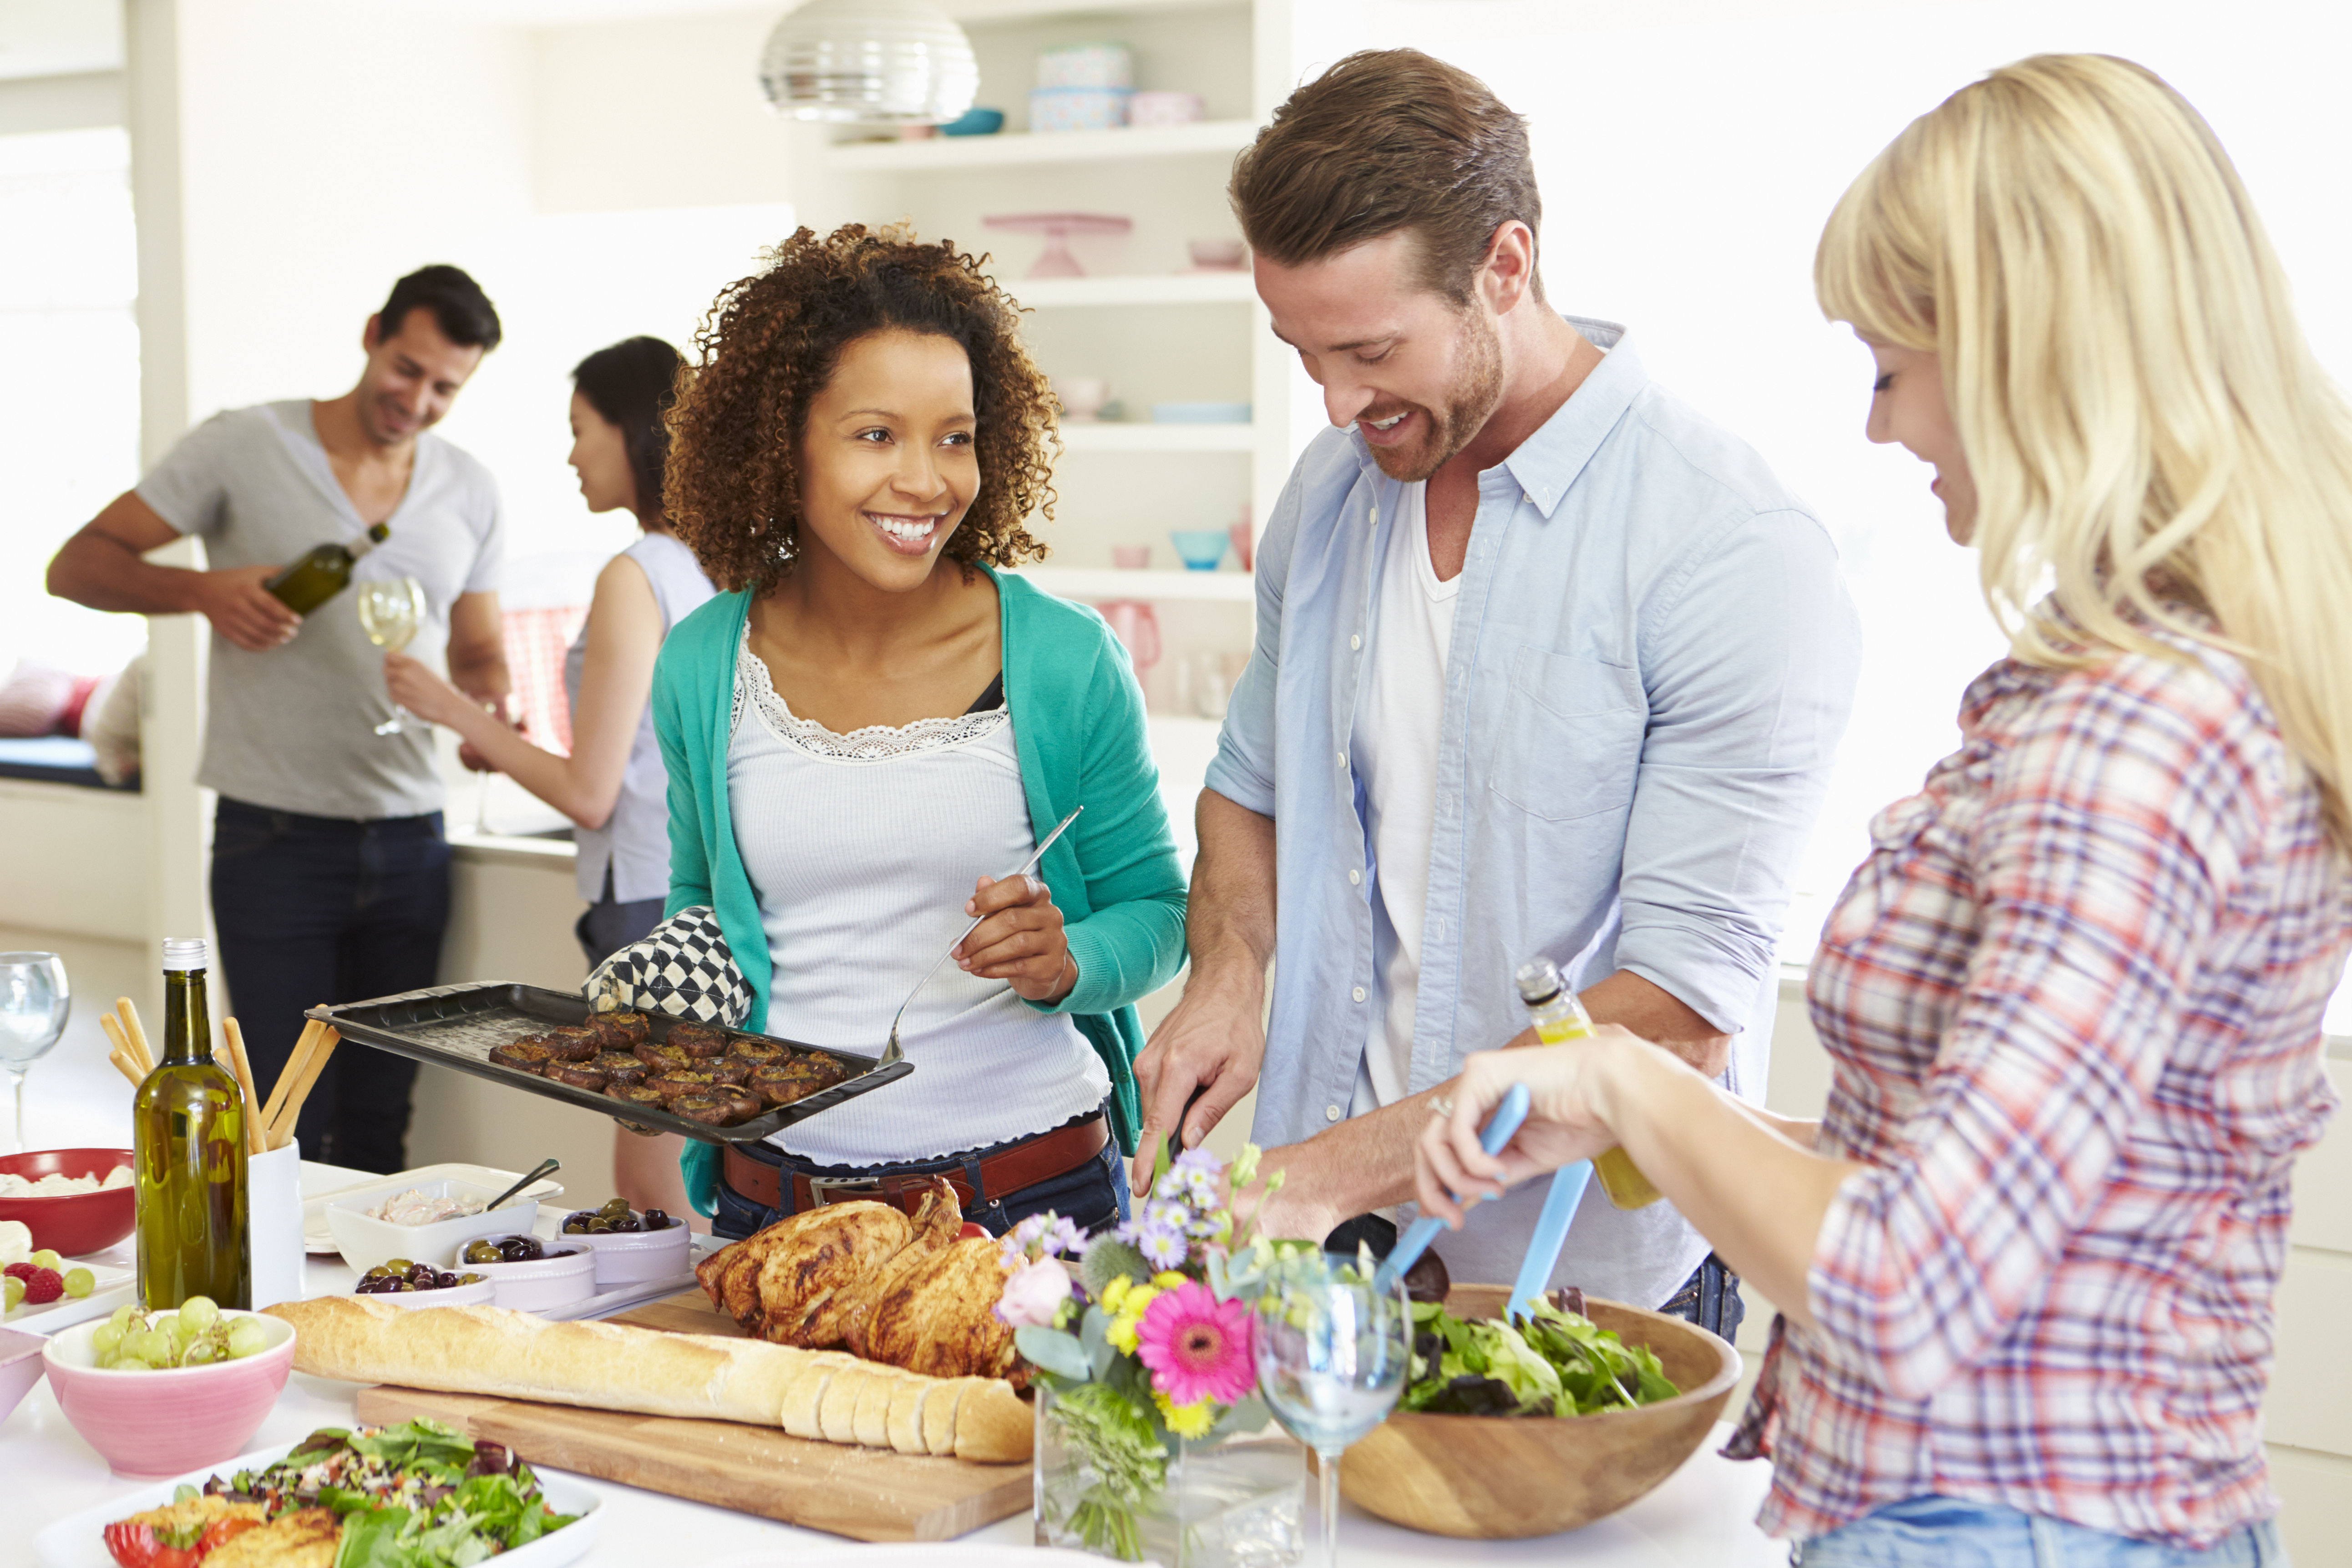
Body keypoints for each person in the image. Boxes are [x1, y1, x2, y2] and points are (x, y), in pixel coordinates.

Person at [1419, 54, 2348, 1564]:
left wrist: (1630, 1082)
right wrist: (1656, 1112)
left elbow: (1905, 1280)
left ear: (2022, 353)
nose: (1877, 427)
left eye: (1886, 366)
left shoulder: (2133, 740)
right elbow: (1977, 1173)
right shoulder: (2136, 691)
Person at [1132, 50, 1861, 1333]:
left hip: (1576, 1271)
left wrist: (1318, 1172)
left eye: (1369, 349)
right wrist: (1230, 971)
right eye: (1305, 353)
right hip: (1321, 1249)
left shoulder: (1729, 546)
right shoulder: (1327, 496)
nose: (1340, 400)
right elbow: (1248, 795)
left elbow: (1680, 1015)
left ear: (1506, 267)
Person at [652, 224, 1188, 1238]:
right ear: (782, 443)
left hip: (1028, 1205)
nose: (926, 480)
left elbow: (1159, 909)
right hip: (773, 1209)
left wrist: (1068, 958)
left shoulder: (1065, 659)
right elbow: (701, 902)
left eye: (954, 436)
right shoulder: (701, 664)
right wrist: (657, 1014)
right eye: (874, 435)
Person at [47, 264, 509, 1173]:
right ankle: (273, 1314)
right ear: (373, 332)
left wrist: (486, 704)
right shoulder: (242, 445)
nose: (417, 400)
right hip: (276, 845)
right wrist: (204, 591)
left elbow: (480, 647)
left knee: (381, 1123)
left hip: (415, 844)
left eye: (445, 387)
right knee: (273, 1128)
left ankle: (367, 1316)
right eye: (406, 368)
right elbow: (75, 566)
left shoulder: (469, 488)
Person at [385, 335, 713, 1219]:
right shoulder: (718, 566)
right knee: (679, 1160)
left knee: (648, 1179)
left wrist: (452, 708)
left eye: (581, 429)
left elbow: (590, 792)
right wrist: (501, 743)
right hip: (701, 898)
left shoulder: (636, 574)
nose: (571, 454)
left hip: (645, 901)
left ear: (632, 432)